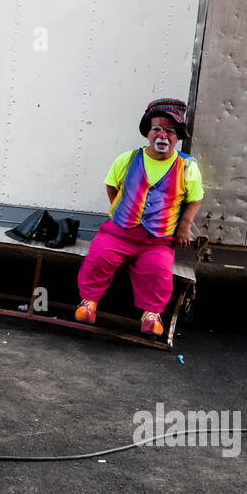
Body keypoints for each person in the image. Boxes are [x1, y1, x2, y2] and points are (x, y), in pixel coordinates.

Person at [75, 98, 203, 335]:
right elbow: (112, 186)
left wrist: (184, 226)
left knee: (158, 271)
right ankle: (88, 302)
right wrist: (122, 210)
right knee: (99, 258)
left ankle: (151, 315)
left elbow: (195, 198)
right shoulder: (128, 158)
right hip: (118, 234)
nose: (162, 135)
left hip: (157, 241)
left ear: (178, 137)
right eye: (157, 129)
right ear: (148, 133)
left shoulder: (187, 167)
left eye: (169, 131)